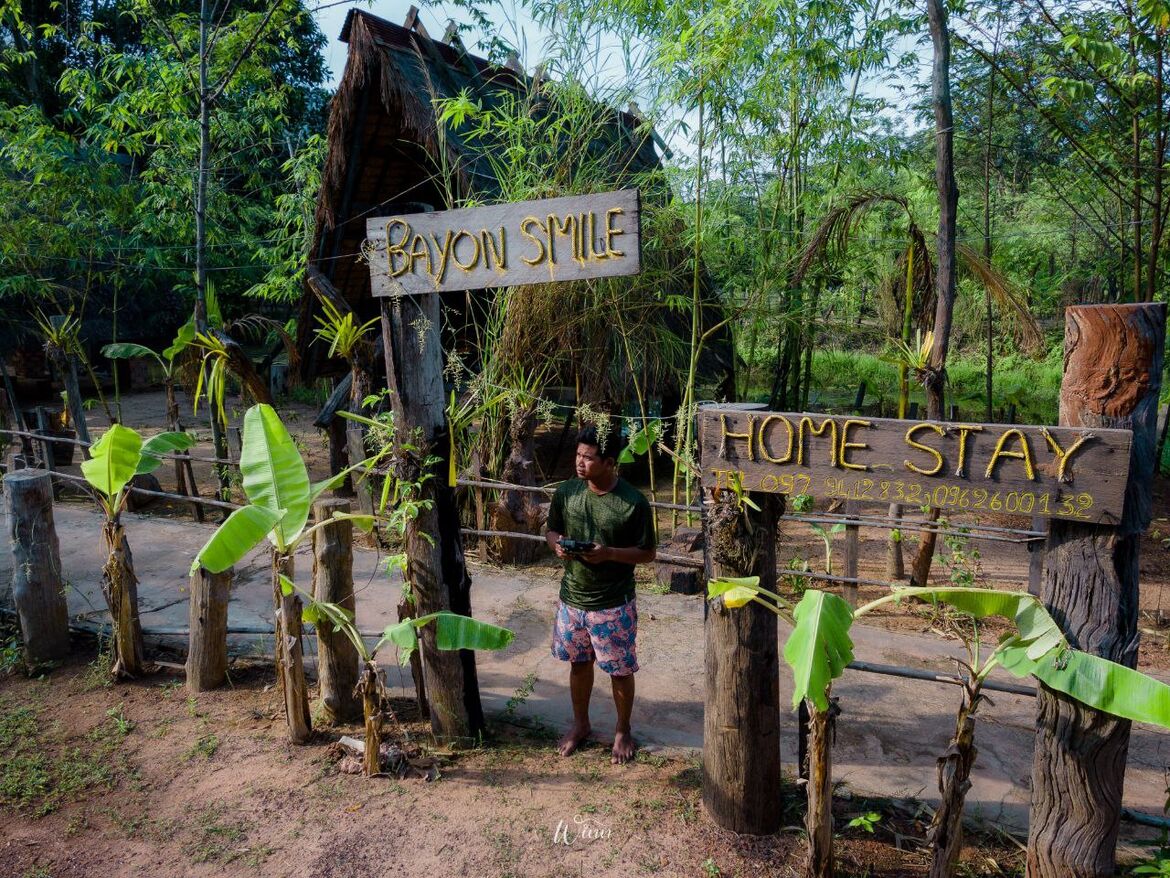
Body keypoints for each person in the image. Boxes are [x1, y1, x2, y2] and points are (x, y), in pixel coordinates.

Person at [545, 424, 656, 764]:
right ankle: (581, 724)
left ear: (609, 462)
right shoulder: (567, 492)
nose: (580, 462)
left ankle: (623, 730)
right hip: (572, 599)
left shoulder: (633, 503)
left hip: (613, 604)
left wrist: (608, 553)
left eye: (588, 458)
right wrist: (557, 546)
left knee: (620, 670)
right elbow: (551, 530)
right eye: (578, 455)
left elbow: (648, 552)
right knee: (579, 665)